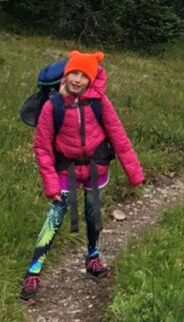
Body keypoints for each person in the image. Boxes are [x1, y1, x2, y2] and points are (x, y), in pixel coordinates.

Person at [22, 50, 143, 302]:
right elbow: (42, 147)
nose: (77, 80)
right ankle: (33, 271)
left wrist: (134, 173)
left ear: (91, 79)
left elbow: (118, 137)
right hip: (65, 169)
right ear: (65, 76)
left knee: (93, 213)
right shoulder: (52, 106)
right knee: (54, 216)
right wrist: (50, 183)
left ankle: (93, 258)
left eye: (83, 75)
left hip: (96, 168)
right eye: (73, 74)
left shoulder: (100, 102)